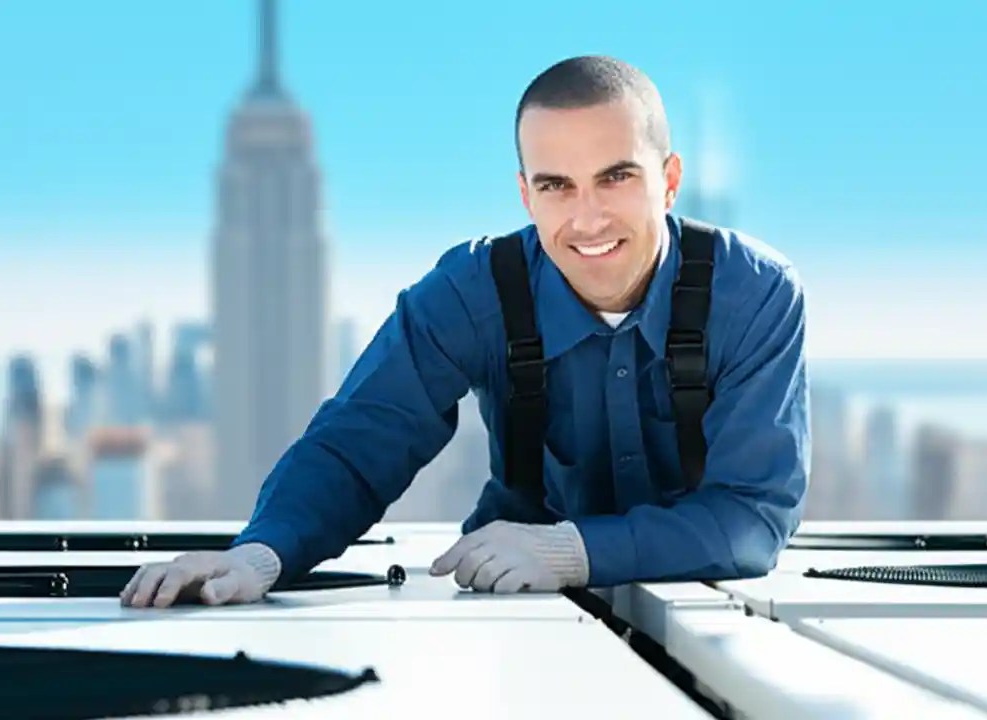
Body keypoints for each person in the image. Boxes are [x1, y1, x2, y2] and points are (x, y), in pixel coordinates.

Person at [120, 54, 810, 608]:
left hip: (712, 615)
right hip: (512, 612)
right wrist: (260, 554)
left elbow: (750, 518)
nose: (589, 218)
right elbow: (360, 441)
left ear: (669, 180)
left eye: (616, 177)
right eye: (556, 186)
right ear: (524, 195)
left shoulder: (754, 294)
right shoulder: (473, 291)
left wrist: (572, 551)